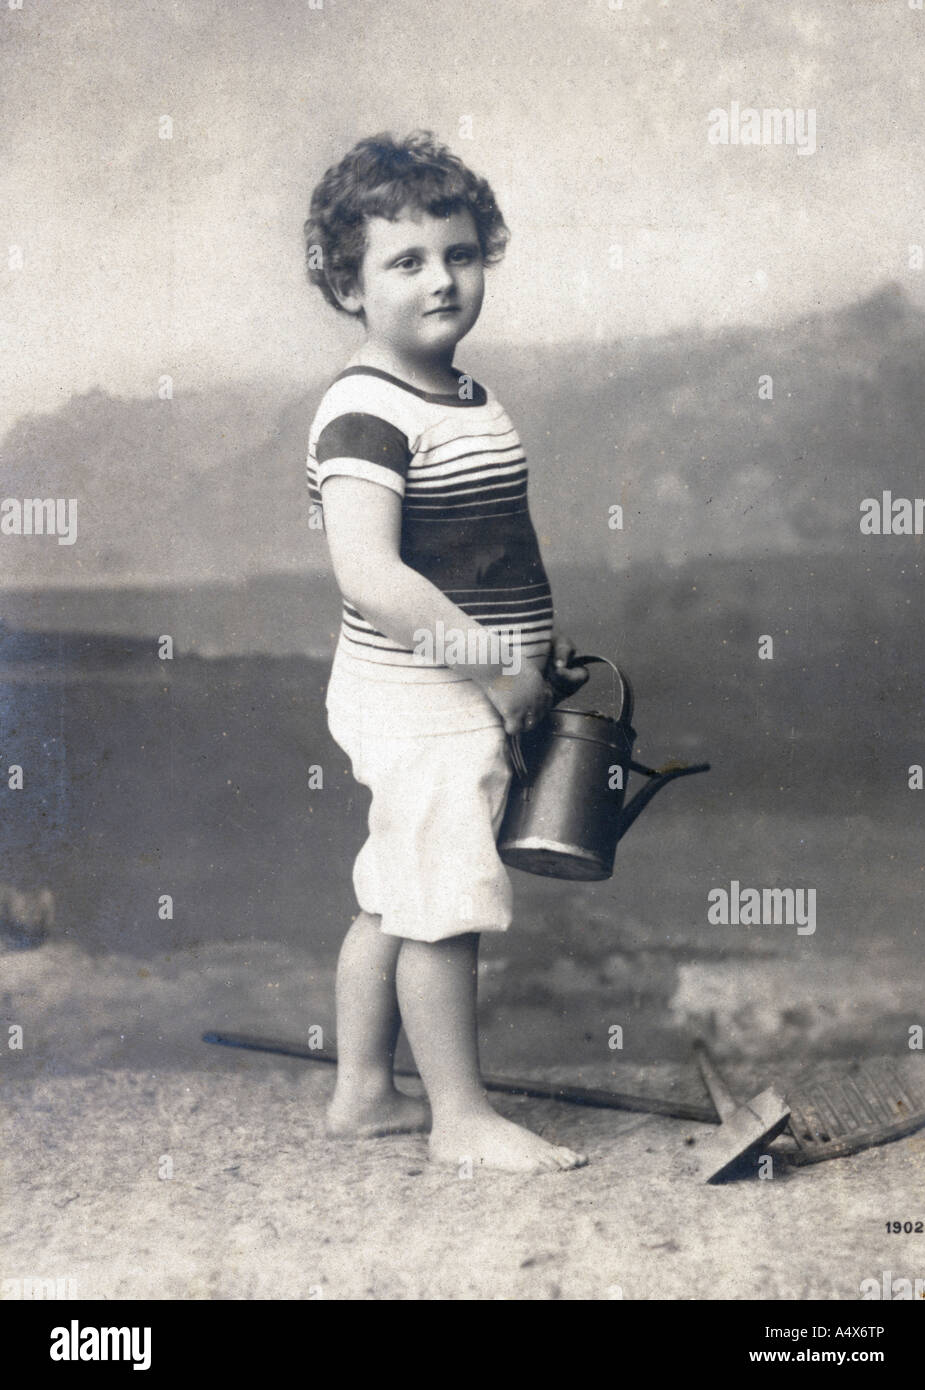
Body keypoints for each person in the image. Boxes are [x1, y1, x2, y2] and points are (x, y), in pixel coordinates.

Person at [303, 130, 589, 1172]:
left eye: (461, 253)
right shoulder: (365, 409)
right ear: (347, 285)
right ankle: (460, 1117)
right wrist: (489, 664)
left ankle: (364, 1092)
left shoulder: (464, 395)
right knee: (441, 904)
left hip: (465, 683)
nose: (442, 280)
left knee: (393, 888)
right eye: (405, 261)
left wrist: (528, 658)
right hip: (416, 694)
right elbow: (370, 574)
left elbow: (490, 550)